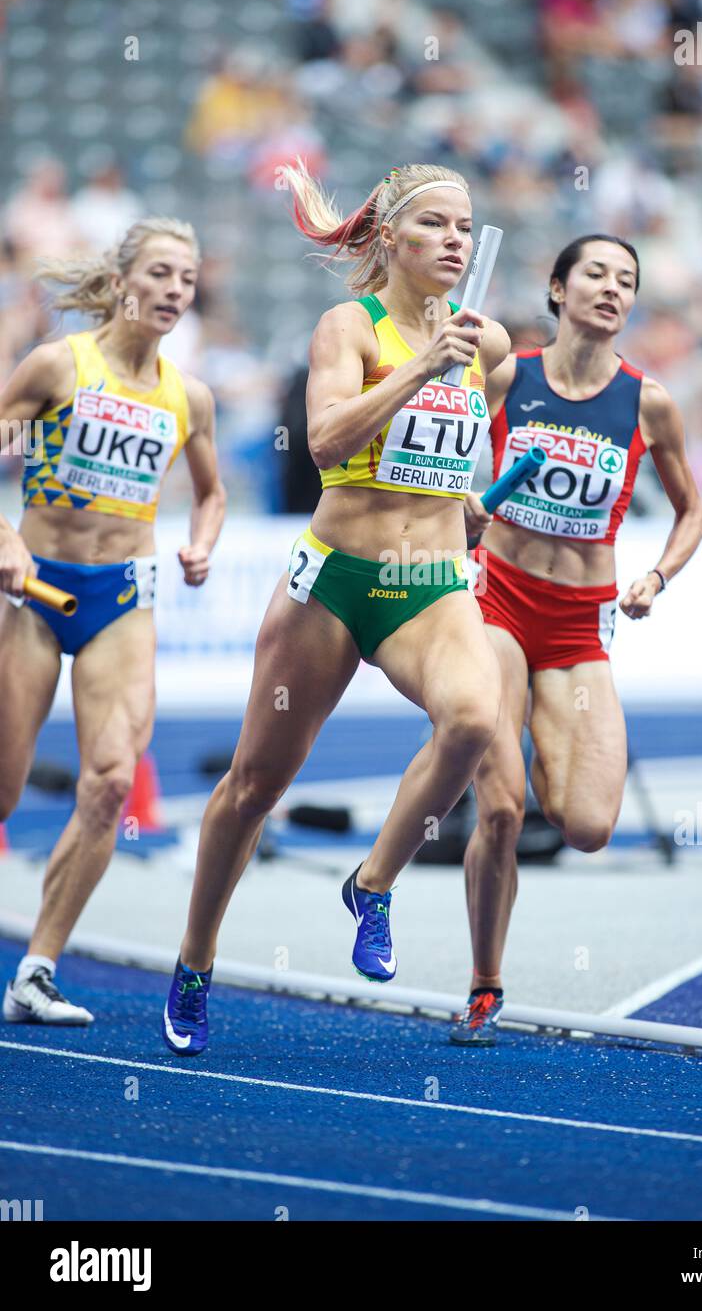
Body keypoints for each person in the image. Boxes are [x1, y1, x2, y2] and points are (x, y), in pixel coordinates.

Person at [161, 163, 510, 1056]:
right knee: (253, 788)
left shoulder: (489, 344)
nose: (456, 241)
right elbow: (324, 441)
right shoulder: (348, 327)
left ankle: (375, 883)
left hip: (426, 583)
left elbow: (456, 450)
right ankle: (196, 960)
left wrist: (465, 498)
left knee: (473, 719)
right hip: (336, 580)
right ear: (391, 237)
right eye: (436, 224)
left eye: (466, 227)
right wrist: (420, 368)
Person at [451, 233, 702, 1045]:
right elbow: (441, 457)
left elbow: (692, 510)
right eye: (595, 273)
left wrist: (657, 578)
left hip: (581, 621)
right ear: (558, 290)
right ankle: (486, 985)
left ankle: (532, 744)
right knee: (500, 810)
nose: (612, 288)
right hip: (496, 600)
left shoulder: (648, 402)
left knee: (588, 824)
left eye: (626, 280)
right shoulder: (508, 375)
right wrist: (464, 504)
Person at [0, 217, 226, 1025]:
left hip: (123, 597)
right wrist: (4, 539)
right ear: (123, 279)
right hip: (35, 591)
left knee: (109, 782)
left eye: (187, 280)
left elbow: (210, 492)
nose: (174, 290)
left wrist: (200, 544)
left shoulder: (186, 395)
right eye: (161, 273)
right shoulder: (61, 365)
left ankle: (36, 970)